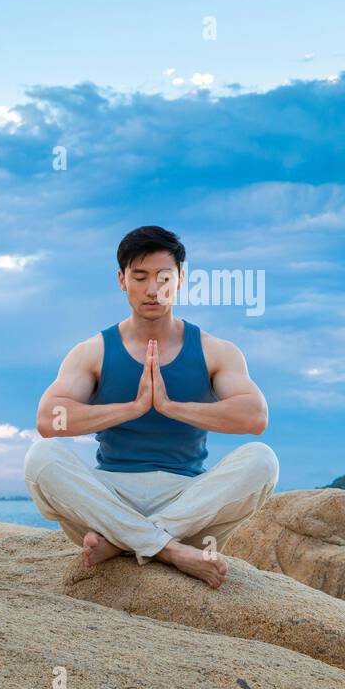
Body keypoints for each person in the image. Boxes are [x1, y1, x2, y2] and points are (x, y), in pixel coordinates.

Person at [24, 225, 279, 588]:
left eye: (163, 277)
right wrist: (133, 407)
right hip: (111, 494)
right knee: (41, 457)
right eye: (139, 276)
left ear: (180, 279)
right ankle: (170, 550)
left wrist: (171, 406)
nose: (152, 289)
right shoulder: (93, 351)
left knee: (263, 460)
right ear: (121, 280)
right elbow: (49, 420)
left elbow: (254, 417)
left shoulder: (214, 350)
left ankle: (125, 541)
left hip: (187, 500)